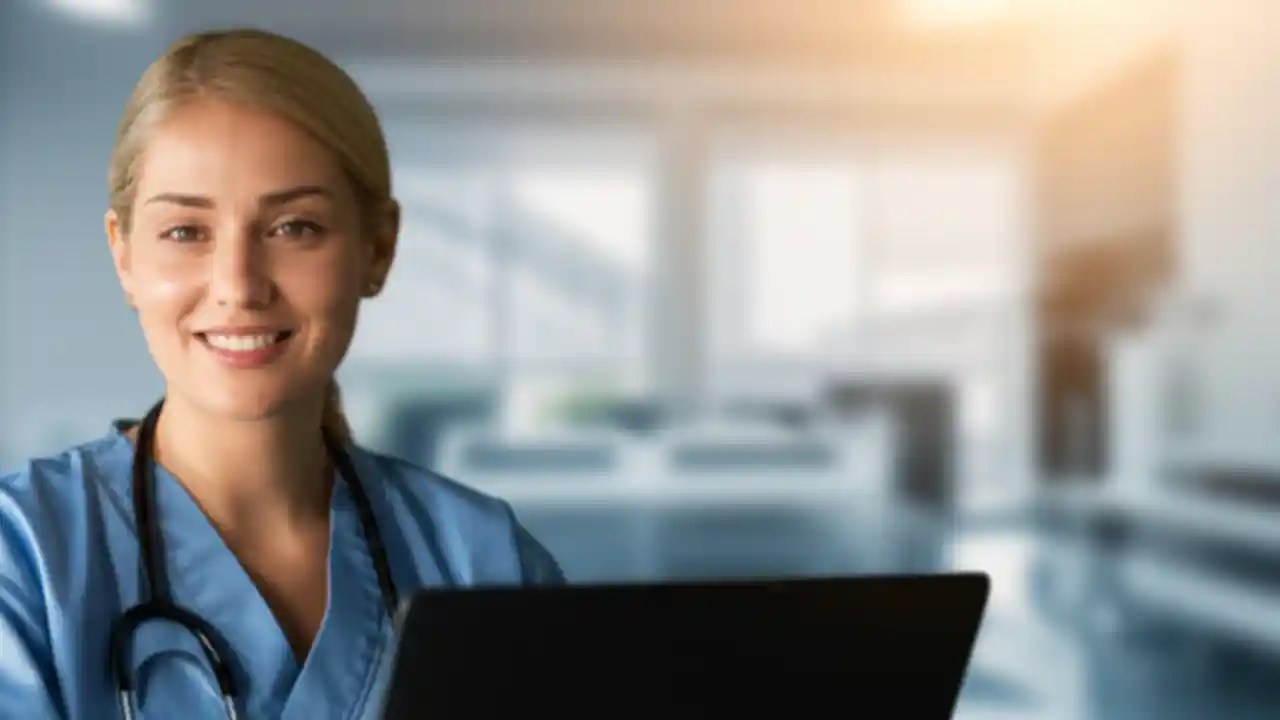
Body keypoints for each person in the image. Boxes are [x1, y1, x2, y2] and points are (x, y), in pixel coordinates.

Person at [0, 27, 565, 719]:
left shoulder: (485, 562)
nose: (239, 286)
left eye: (294, 227)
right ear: (125, 257)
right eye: (186, 232)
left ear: (378, 249)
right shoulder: (22, 562)